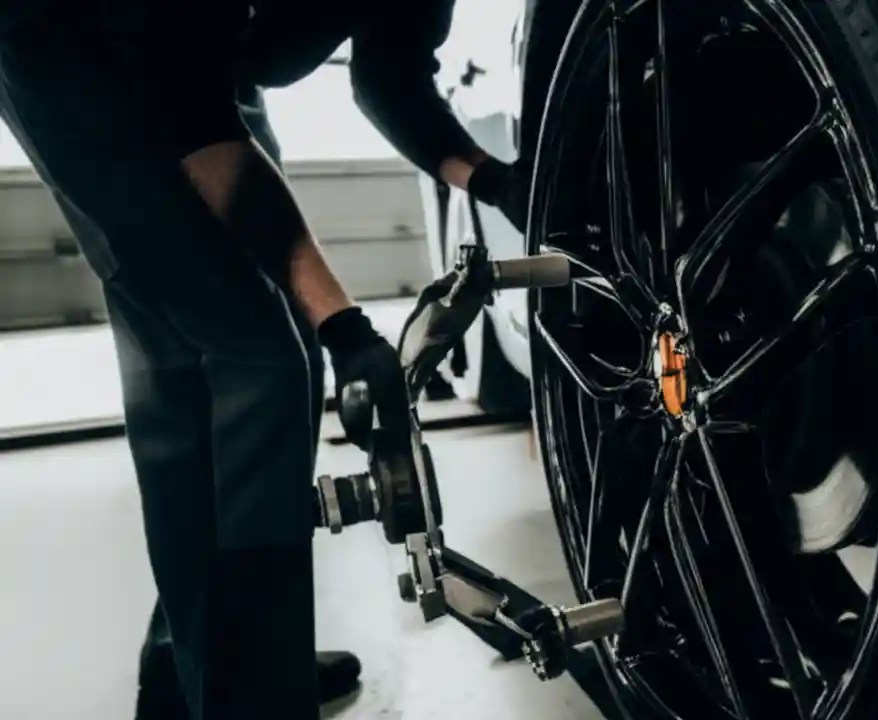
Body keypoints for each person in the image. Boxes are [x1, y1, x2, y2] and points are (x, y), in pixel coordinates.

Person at [0, 1, 528, 717]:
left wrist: (497, 183)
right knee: (246, 359)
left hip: (204, 70)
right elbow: (191, 120)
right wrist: (346, 325)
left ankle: (200, 664)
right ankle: (247, 692)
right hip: (73, 46)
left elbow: (390, 76)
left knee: (273, 347)